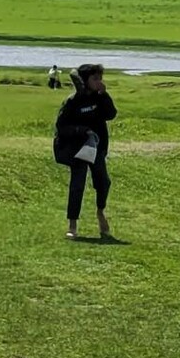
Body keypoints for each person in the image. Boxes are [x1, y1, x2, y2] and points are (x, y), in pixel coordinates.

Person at [53, 63, 117, 240]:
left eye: (100, 78)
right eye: (95, 78)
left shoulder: (100, 99)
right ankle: (72, 226)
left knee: (103, 182)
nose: (99, 82)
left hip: (97, 149)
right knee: (77, 185)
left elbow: (111, 114)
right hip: (78, 151)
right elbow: (61, 126)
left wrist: (104, 95)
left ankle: (100, 211)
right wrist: (82, 131)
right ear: (85, 80)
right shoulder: (72, 102)